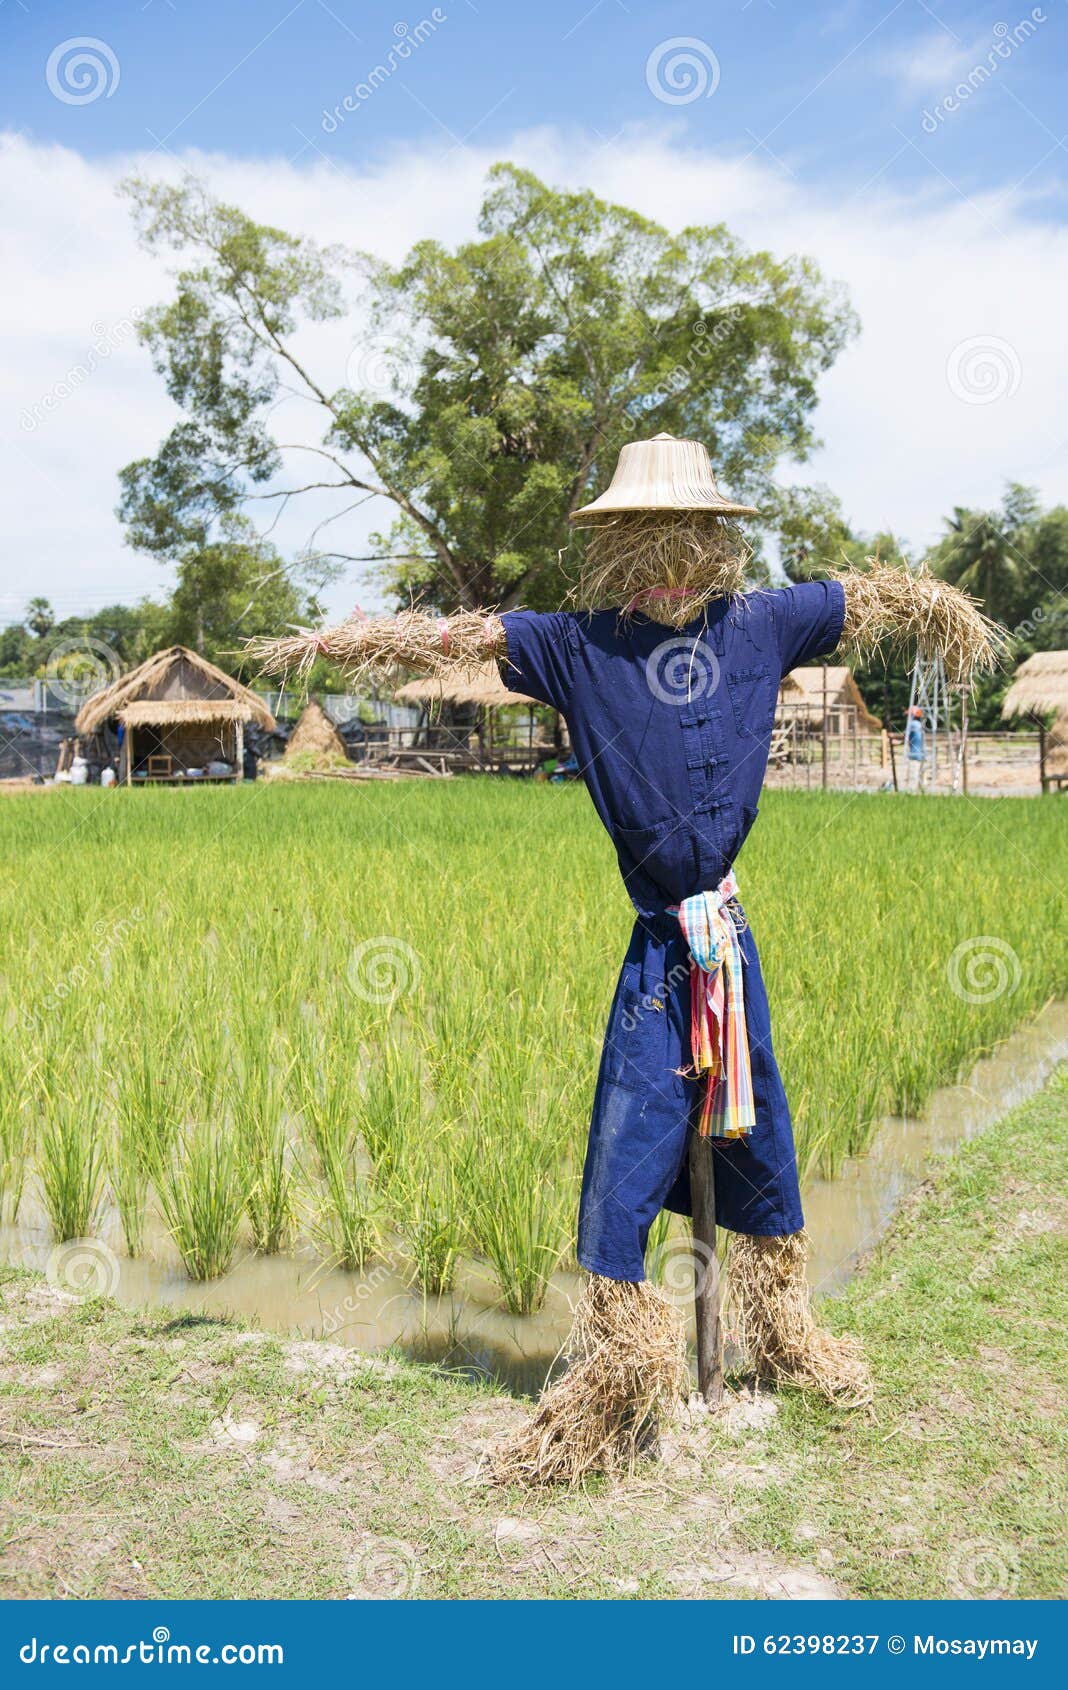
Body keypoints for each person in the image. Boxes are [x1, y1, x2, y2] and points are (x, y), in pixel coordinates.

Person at [251, 432, 999, 1484]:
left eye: (688, 535)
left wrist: (947, 611)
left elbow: (882, 604)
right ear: (613, 550)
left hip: (726, 944)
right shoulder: (575, 646)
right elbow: (453, 641)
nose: (671, 559)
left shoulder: (765, 621)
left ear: (718, 538)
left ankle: (784, 1338)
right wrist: (337, 641)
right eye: (647, 539)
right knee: (630, 1143)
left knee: (759, 1136)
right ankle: (619, 1365)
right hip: (660, 955)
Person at [905, 704, 927, 791]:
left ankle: (912, 792)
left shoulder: (912, 724)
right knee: (922, 780)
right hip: (922, 754)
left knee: (913, 777)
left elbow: (905, 736)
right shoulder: (920, 724)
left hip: (914, 754)